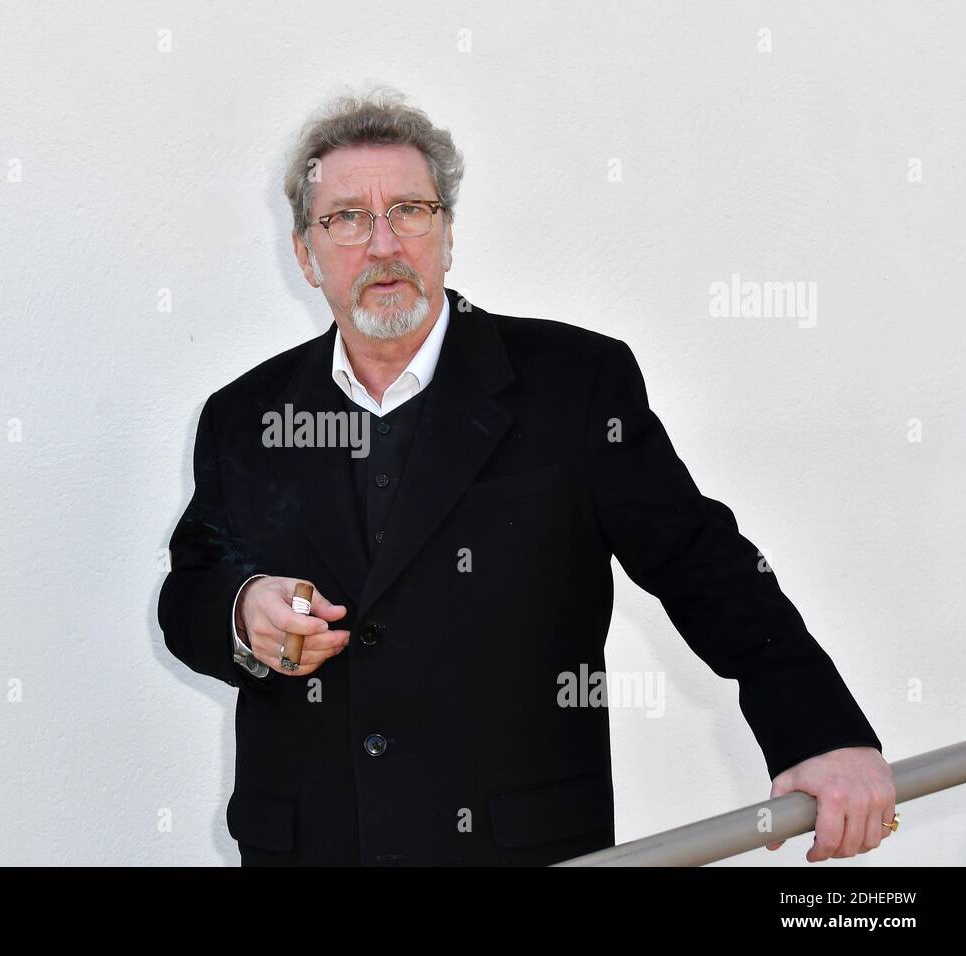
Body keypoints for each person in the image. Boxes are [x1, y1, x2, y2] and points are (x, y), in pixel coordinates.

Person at [157, 87, 896, 866]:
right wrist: (242, 614)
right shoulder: (242, 415)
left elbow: (702, 563)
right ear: (306, 254)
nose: (382, 243)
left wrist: (823, 734)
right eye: (345, 218)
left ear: (447, 235)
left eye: (409, 209)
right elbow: (189, 592)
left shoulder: (575, 383)